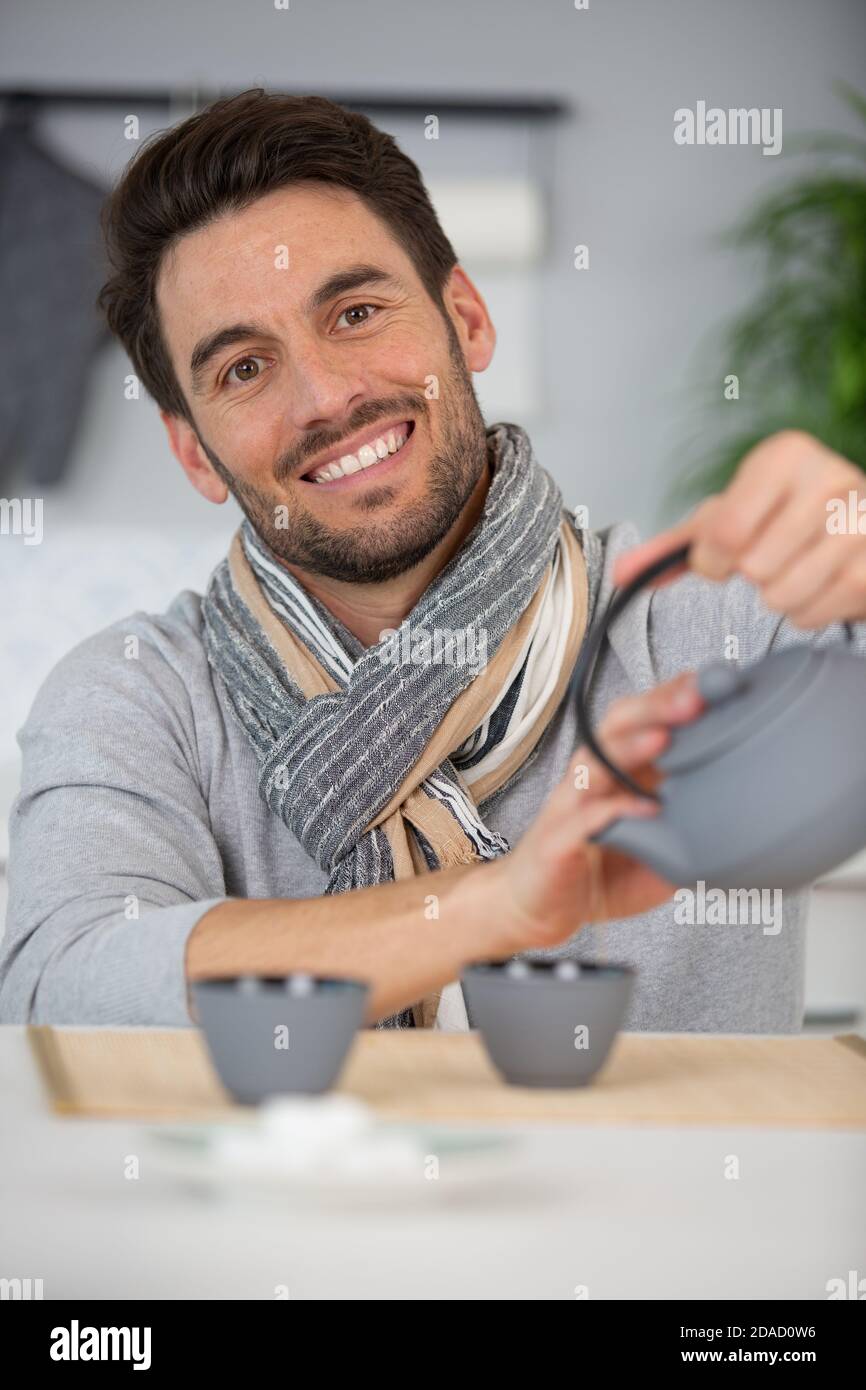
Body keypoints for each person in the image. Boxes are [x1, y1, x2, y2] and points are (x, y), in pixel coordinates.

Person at [3, 89, 866, 1032]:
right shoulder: (134, 699)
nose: (327, 398)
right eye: (244, 368)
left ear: (467, 318)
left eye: (357, 312)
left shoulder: (720, 619)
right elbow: (60, 985)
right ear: (192, 452)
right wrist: (496, 903)